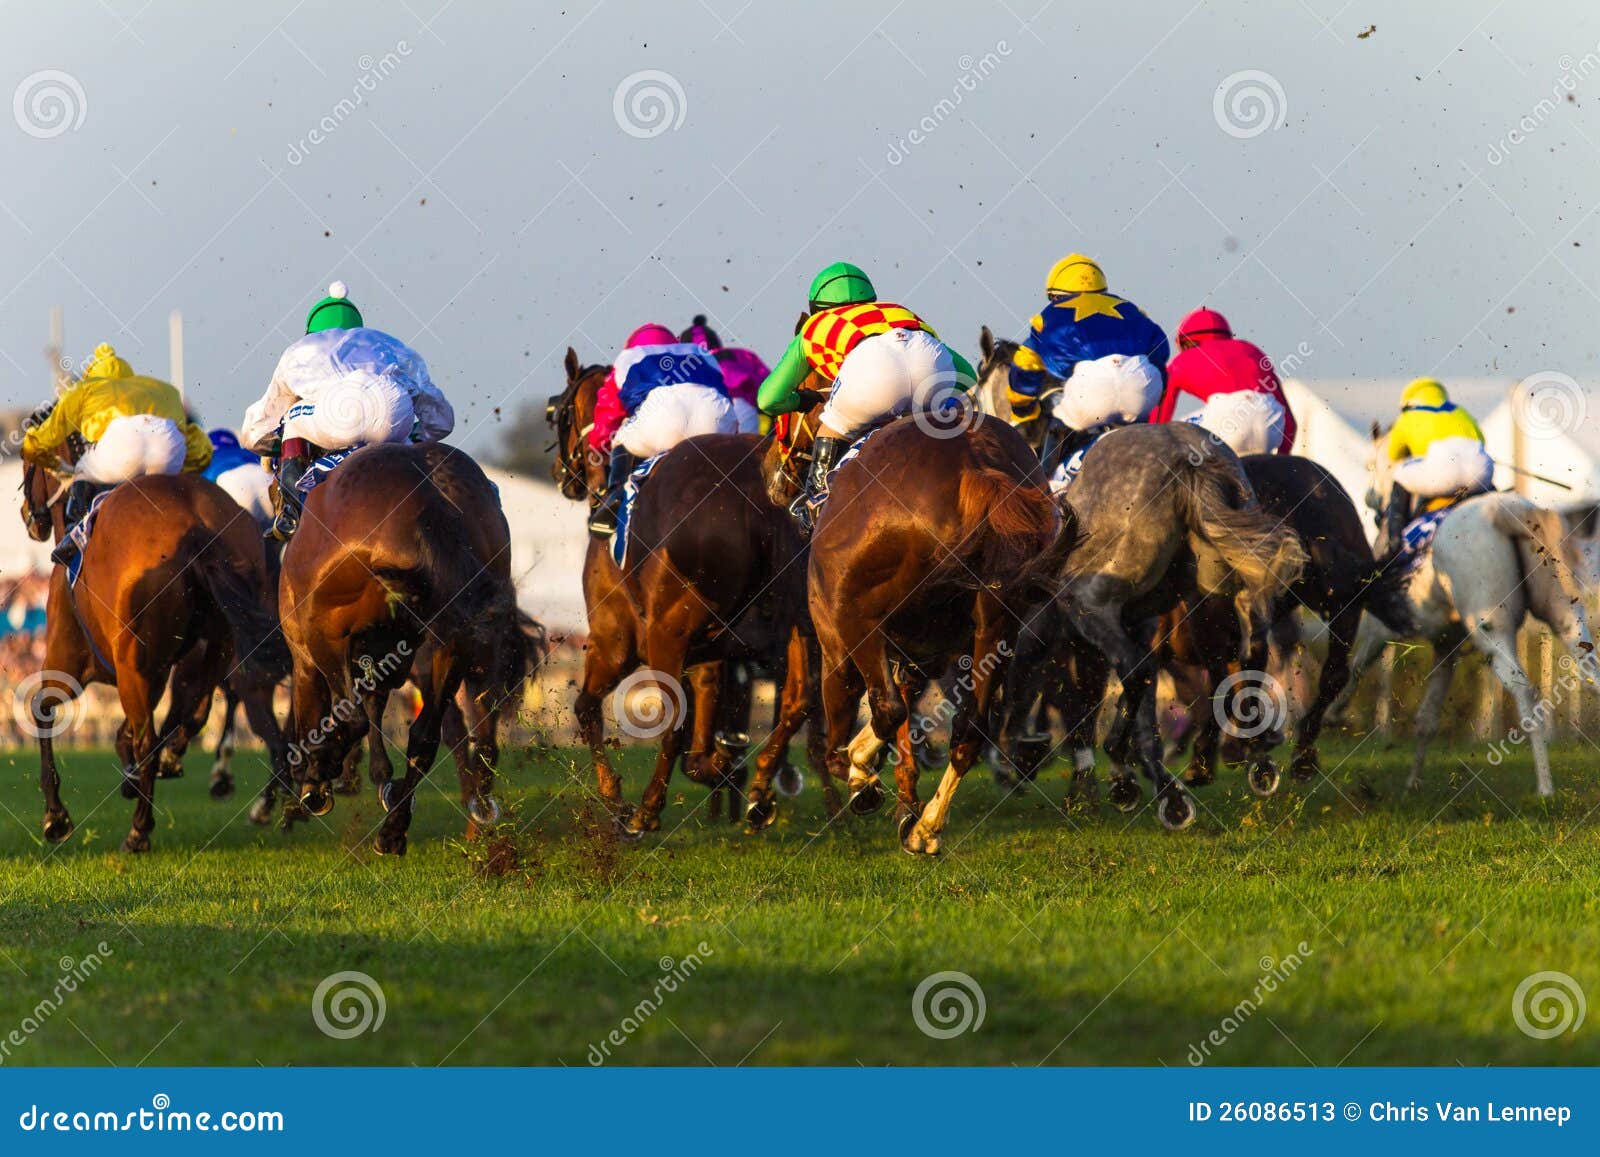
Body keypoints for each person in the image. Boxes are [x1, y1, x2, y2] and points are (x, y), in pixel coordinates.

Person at [757, 261, 976, 534]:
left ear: (816, 308)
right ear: (871, 299)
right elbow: (968, 377)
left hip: (872, 370)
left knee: (831, 424)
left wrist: (803, 401)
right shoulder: (899, 311)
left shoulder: (814, 327)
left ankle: (814, 509)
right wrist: (932, 406)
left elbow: (768, 400)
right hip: (927, 360)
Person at [241, 282, 454, 540]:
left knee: (293, 419)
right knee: (406, 441)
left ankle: (291, 512)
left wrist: (271, 445)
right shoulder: (390, 345)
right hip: (394, 412)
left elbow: (257, 428)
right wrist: (418, 435)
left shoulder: (299, 350)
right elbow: (442, 421)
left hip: (338, 416)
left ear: (311, 331)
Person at [21, 342, 212, 566]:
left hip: (123, 443)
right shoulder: (163, 388)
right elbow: (201, 450)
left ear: (92, 373)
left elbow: (39, 441)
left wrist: (57, 466)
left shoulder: (85, 388)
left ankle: (74, 533)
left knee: (81, 471)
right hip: (167, 442)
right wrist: (182, 468)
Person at [1006, 254, 1169, 450]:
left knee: (1056, 421)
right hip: (1140, 387)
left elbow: (1025, 364)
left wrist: (1023, 409)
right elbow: (1160, 353)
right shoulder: (1132, 310)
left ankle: (1048, 478)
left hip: (1092, 393)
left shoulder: (1047, 317)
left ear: (1056, 295)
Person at [586, 322, 736, 534]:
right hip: (715, 415)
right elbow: (725, 397)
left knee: (618, 434)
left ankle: (616, 497)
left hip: (664, 417)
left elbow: (607, 420)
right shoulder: (699, 352)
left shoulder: (627, 357)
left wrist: (598, 448)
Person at [1152, 307, 1296, 455]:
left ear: (1184, 343)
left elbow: (1156, 423)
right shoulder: (1252, 350)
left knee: (1176, 431)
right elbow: (1290, 423)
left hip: (1227, 424)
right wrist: (1283, 457)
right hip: (1270, 424)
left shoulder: (1181, 361)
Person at [1380, 378, 1492, 555]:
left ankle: (1394, 546)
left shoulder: (1407, 417)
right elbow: (1482, 441)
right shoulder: (1461, 412)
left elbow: (1393, 455)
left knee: (1399, 474)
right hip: (1479, 470)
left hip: (1442, 473)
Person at [680, 314, 769, 434]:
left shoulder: (684, 365)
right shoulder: (743, 355)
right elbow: (768, 384)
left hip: (704, 413)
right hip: (743, 409)